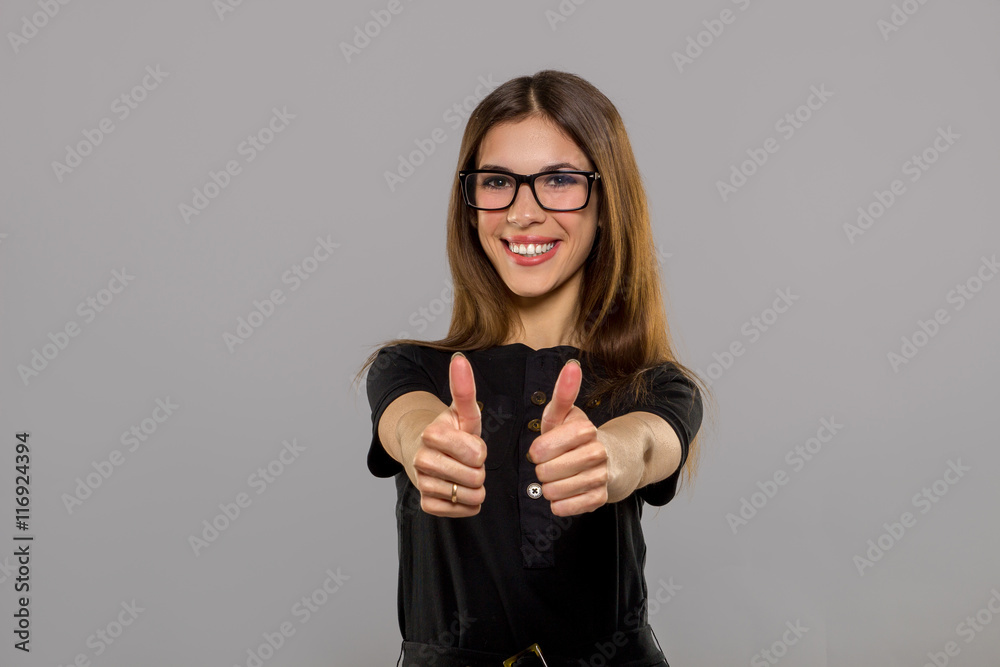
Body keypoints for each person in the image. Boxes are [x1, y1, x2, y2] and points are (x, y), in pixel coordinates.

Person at [355, 69, 714, 667]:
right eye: (498, 182)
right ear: (470, 207)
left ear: (606, 203)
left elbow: (648, 444)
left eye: (559, 180)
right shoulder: (409, 368)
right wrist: (426, 443)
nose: (524, 212)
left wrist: (609, 457)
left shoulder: (656, 386)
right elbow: (406, 423)